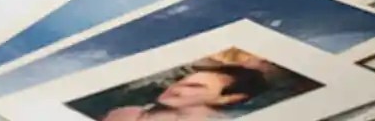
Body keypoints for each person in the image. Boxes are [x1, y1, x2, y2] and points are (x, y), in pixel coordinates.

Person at [101, 65, 269, 121]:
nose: (174, 89)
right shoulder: (126, 113)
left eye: (194, 87)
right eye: (180, 82)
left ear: (227, 98)